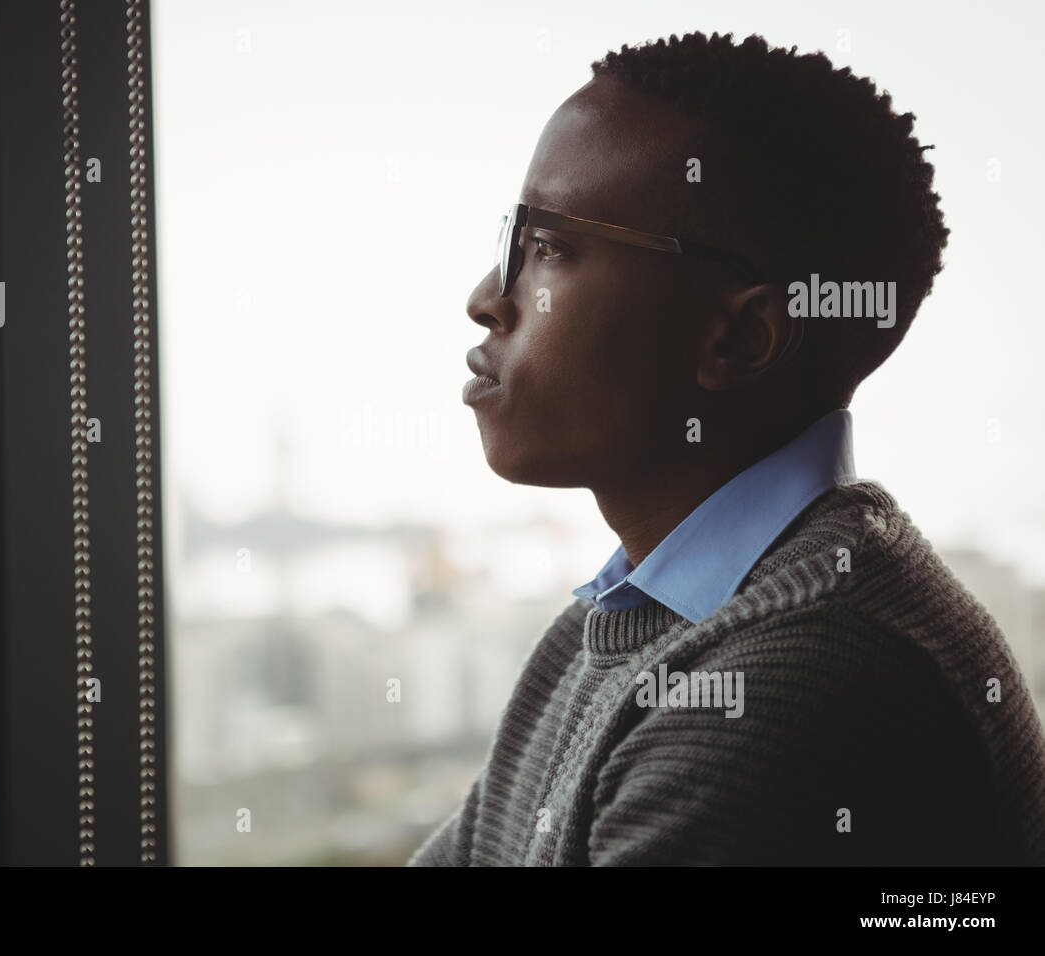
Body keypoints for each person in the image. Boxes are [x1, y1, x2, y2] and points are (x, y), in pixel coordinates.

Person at [408, 31, 1045, 866]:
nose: (487, 299)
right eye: (512, 239)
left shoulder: (794, 685)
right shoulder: (604, 628)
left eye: (551, 248)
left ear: (740, 339)